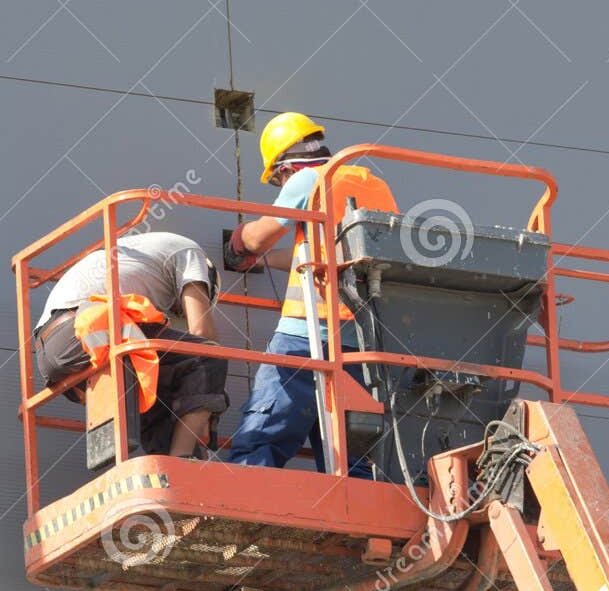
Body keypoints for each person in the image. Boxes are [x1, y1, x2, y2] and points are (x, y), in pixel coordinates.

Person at [222, 112, 395, 473]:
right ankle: (360, 522)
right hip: (362, 342)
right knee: (355, 453)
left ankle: (249, 498)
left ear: (284, 166)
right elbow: (327, 253)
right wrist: (268, 263)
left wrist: (241, 244)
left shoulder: (308, 179)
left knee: (264, 431)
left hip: (306, 334)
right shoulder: (373, 185)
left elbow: (259, 237)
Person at [34, 231, 227, 457]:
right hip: (83, 330)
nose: (175, 312)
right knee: (208, 357)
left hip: (55, 352)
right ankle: (181, 462)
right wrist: (207, 402)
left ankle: (168, 465)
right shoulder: (190, 253)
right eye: (179, 310)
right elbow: (202, 334)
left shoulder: (145, 264)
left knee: (157, 383)